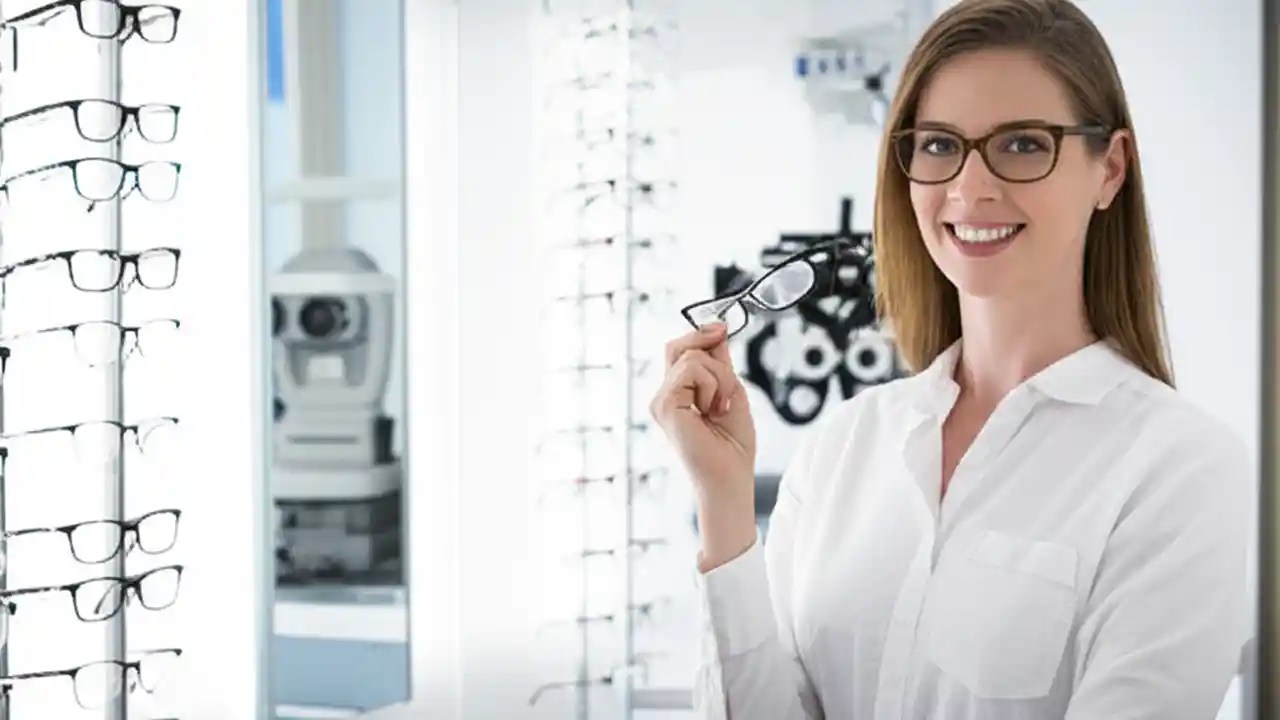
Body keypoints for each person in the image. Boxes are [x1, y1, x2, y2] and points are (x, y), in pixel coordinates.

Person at [648, 0, 1256, 718]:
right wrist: (724, 508)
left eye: (1024, 144)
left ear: (1110, 169)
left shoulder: (1180, 469)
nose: (970, 188)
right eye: (938, 145)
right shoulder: (844, 447)